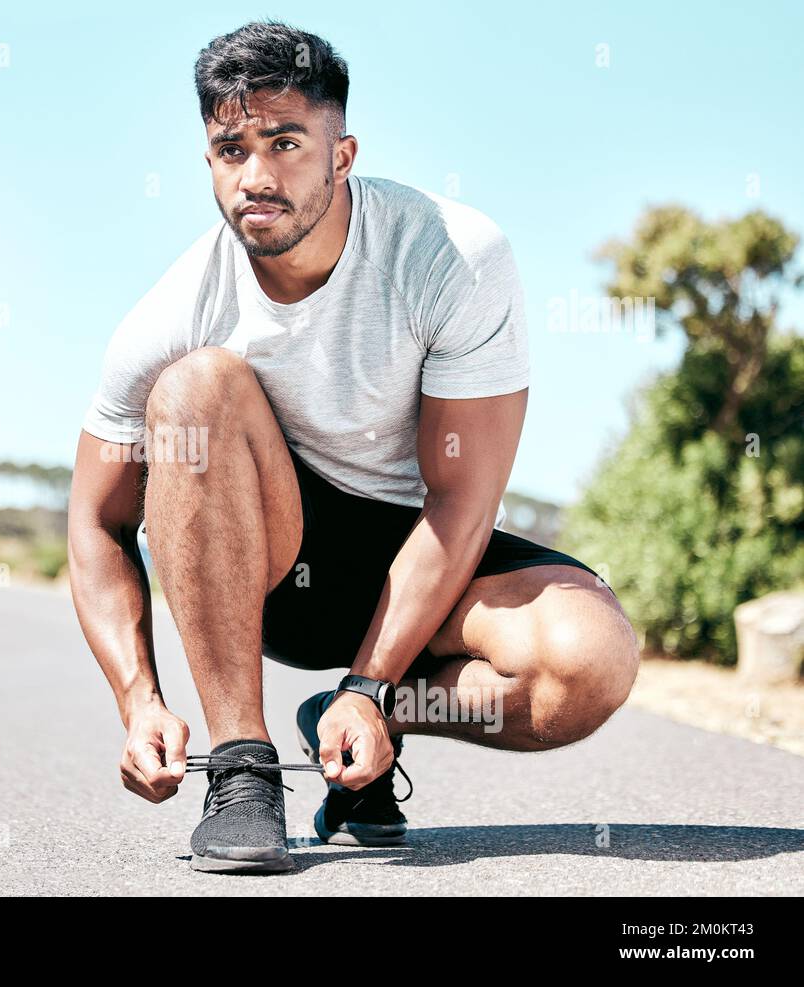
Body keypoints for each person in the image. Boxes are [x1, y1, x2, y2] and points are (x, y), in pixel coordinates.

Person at [66, 19, 640, 873]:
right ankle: (243, 767)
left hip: (427, 555)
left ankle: (352, 722)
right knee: (195, 386)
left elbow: (462, 503)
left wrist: (371, 690)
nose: (256, 176)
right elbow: (96, 523)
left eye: (286, 141)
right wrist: (137, 699)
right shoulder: (172, 311)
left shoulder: (451, 256)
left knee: (588, 660)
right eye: (231, 149)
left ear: (342, 154)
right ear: (208, 160)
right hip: (270, 566)